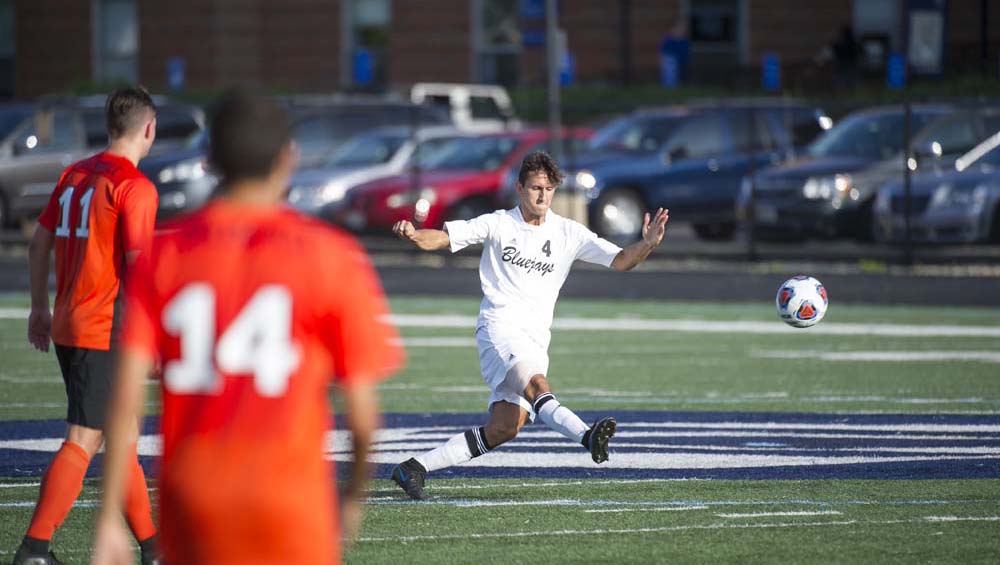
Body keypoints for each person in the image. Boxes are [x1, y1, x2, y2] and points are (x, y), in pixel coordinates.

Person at [91, 91, 403, 565]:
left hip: (194, 501)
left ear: (209, 160)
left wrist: (109, 519)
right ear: (288, 158)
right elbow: (362, 420)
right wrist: (353, 499)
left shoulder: (165, 255)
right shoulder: (331, 255)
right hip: (289, 499)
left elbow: (124, 397)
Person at [389, 150, 669, 500]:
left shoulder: (569, 232)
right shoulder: (498, 223)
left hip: (536, 341)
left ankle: (414, 468)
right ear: (520, 188)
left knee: (505, 428)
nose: (542, 196)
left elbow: (622, 261)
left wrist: (646, 244)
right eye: (536, 188)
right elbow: (443, 237)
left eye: (549, 189)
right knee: (538, 386)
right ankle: (588, 435)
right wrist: (416, 235)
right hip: (499, 329)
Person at [16, 86, 161, 565]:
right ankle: (34, 549)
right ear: (149, 129)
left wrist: (39, 307)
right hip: (104, 329)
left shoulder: (75, 174)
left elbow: (39, 243)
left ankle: (155, 549)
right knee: (85, 436)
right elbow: (139, 267)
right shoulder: (134, 186)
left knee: (122, 436)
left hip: (68, 321)